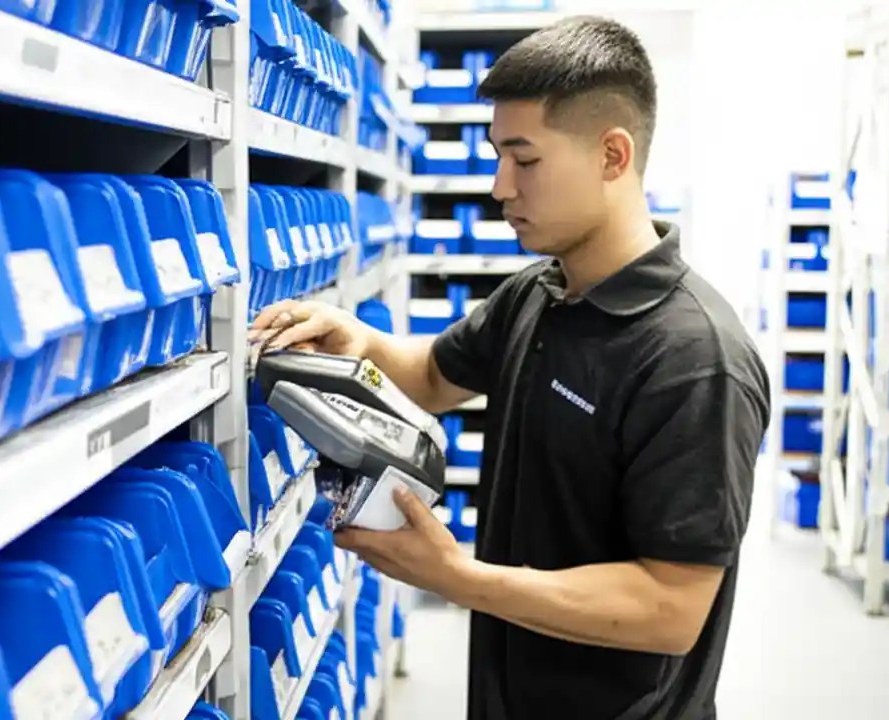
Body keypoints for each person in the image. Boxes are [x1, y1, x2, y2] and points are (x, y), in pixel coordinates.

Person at [248, 15, 769, 720]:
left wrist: (459, 578)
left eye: (525, 160)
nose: (500, 186)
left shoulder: (694, 359)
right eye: (498, 155)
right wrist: (359, 341)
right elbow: (432, 375)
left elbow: (669, 608)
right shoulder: (538, 292)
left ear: (612, 155)